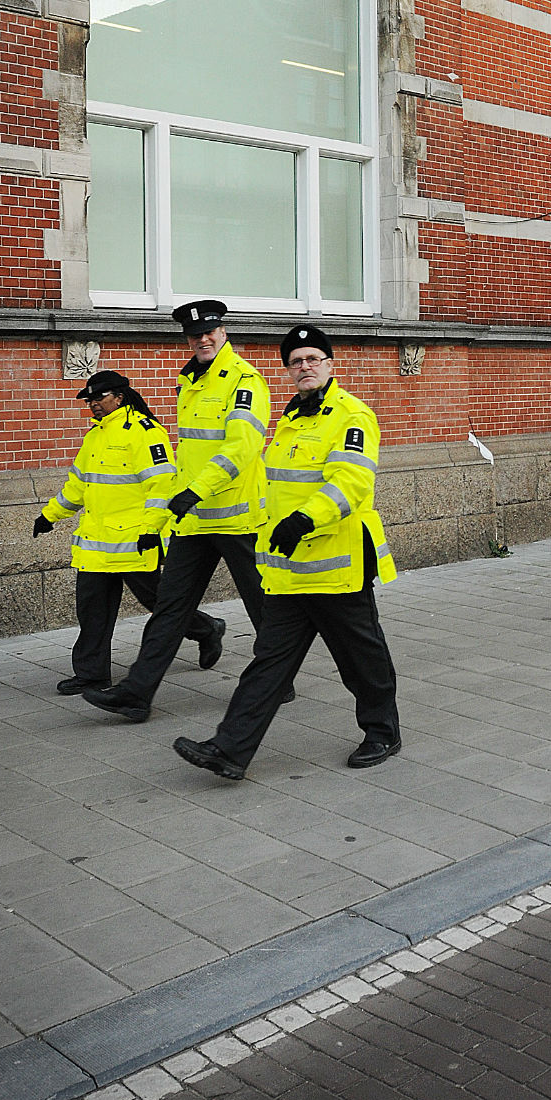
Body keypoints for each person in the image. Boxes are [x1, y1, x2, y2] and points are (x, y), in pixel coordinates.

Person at [173, 324, 401, 782]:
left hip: (337, 567)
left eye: (313, 358)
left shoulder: (351, 415)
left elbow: (351, 482)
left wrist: (305, 519)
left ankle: (382, 733)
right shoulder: (289, 421)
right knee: (268, 665)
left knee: (362, 660)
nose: (304, 367)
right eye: (296, 362)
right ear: (288, 371)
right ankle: (230, 749)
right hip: (288, 573)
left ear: (330, 364)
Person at [83, 298, 273, 724]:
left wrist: (196, 491)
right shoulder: (190, 382)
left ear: (223, 333)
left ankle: (277, 679)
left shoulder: (244, 381)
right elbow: (185, 456)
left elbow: (241, 448)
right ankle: (136, 693)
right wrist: (166, 514)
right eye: (194, 335)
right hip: (192, 520)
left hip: (236, 517)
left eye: (209, 332)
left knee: (262, 605)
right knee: (169, 608)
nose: (202, 339)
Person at [33, 370, 225, 694]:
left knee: (160, 602)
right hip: (96, 542)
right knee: (91, 610)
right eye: (90, 399)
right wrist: (50, 515)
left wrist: (152, 528)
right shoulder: (95, 435)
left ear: (119, 397)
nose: (93, 404)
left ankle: (207, 629)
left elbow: (162, 485)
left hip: (136, 539)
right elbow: (78, 485)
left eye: (99, 398)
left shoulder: (145, 432)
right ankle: (91, 674)